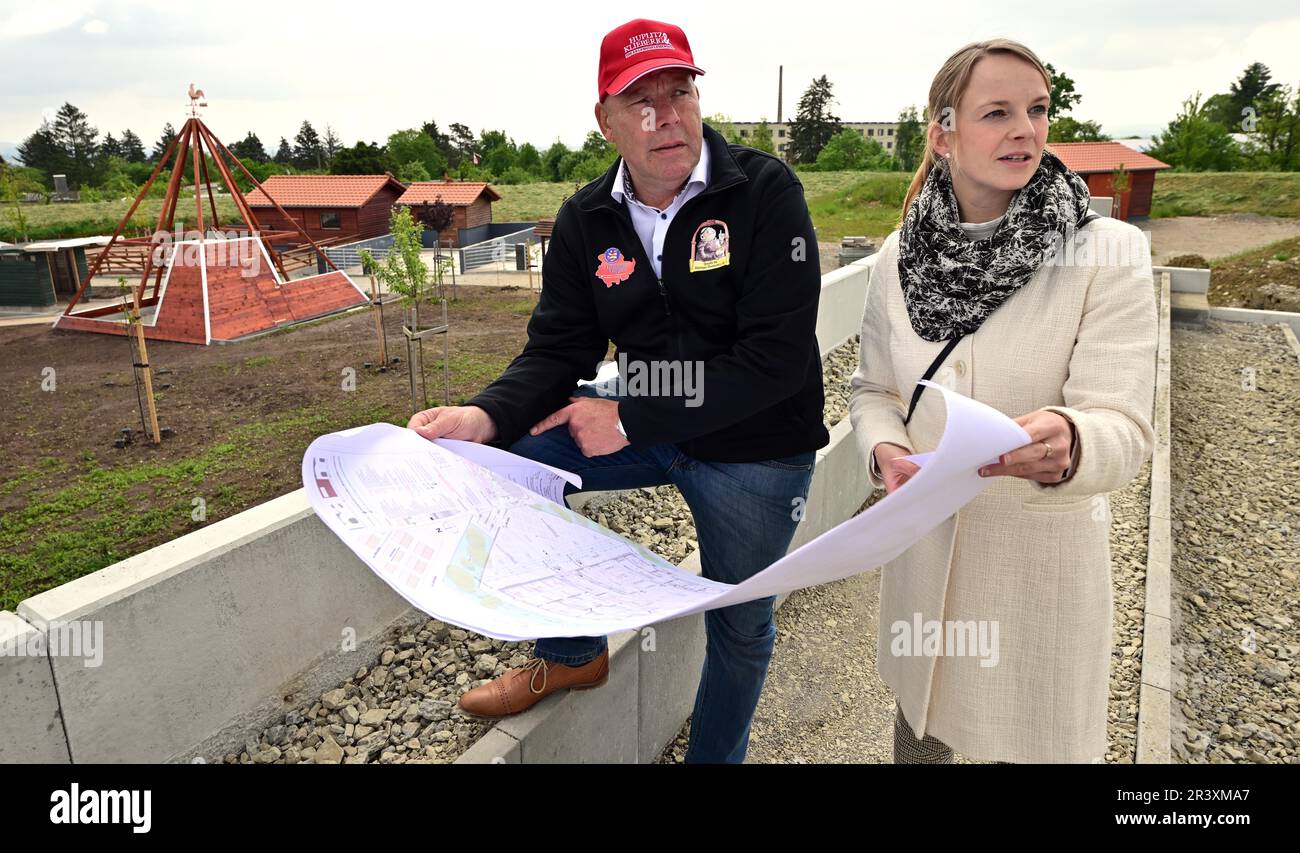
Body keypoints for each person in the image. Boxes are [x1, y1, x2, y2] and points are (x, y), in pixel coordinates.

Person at [406, 18, 828, 763]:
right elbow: (559, 349)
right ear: (604, 120)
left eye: (680, 92)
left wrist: (631, 417)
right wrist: (486, 413)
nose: (666, 115)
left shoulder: (763, 192)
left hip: (760, 451)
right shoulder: (586, 217)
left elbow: (776, 362)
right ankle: (573, 650)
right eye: (641, 99)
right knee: (516, 464)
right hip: (653, 427)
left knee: (738, 621)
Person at [848, 38, 1156, 763]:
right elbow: (874, 391)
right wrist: (887, 450)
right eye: (997, 113)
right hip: (926, 584)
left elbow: (1125, 426)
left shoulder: (1104, 254)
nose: (1026, 129)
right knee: (920, 743)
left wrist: (1072, 439)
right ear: (943, 134)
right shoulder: (899, 256)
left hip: (1035, 590)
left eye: (1038, 110)